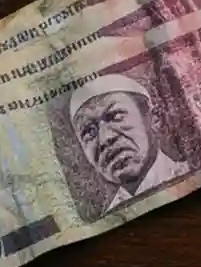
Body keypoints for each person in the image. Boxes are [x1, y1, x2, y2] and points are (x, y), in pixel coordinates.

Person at [68, 74, 188, 217]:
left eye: (116, 117)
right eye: (89, 131)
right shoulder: (109, 218)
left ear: (154, 118)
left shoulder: (191, 175)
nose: (105, 138)